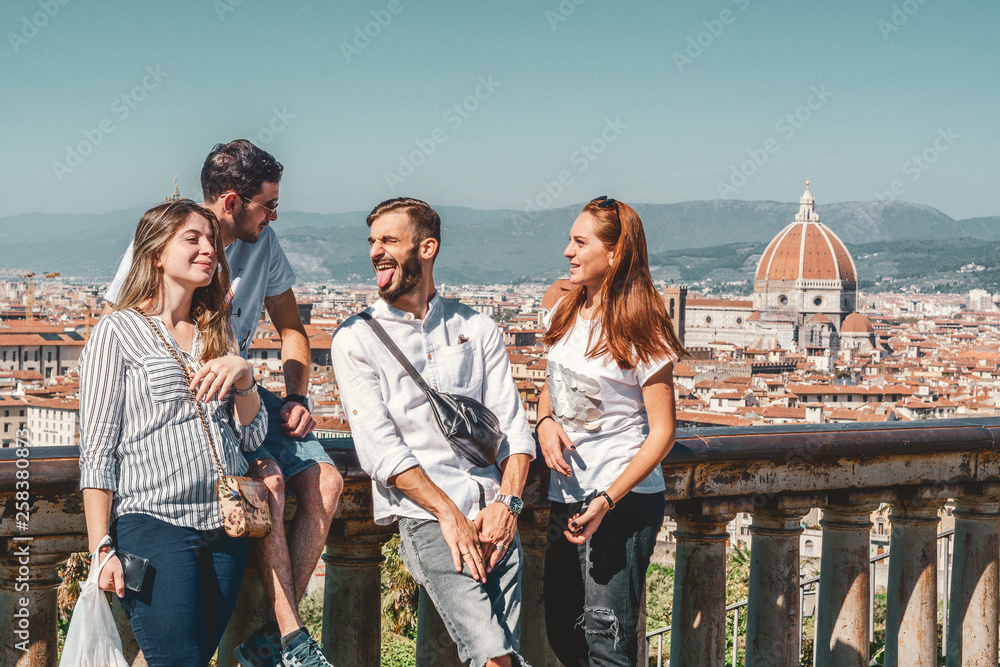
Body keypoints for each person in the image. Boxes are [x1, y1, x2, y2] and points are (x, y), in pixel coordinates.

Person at [104, 141, 342, 667]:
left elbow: (292, 329)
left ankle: (281, 633)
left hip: (245, 389)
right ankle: (290, 643)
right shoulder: (168, 241)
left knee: (327, 479)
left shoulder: (265, 244)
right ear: (232, 201)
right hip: (189, 420)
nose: (274, 216)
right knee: (270, 483)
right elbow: (127, 339)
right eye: (268, 205)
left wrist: (298, 394)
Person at [331, 198, 535, 667]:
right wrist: (447, 513)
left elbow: (513, 431)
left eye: (389, 240)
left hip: (495, 518)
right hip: (430, 520)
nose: (376, 252)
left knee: (505, 652)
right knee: (494, 657)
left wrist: (508, 505)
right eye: (372, 242)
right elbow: (380, 450)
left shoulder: (477, 327)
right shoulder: (355, 339)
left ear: (427, 248)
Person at [80, 199, 267, 666]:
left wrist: (243, 375)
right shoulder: (117, 333)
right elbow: (98, 449)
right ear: (157, 253)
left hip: (227, 527)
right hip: (154, 525)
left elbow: (250, 436)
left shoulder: (215, 331)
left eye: (211, 241)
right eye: (193, 239)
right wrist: (100, 546)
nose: (210, 249)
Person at [537, 196, 684, 667]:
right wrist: (543, 423)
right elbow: (551, 384)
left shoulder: (642, 326)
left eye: (580, 242)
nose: (567, 251)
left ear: (615, 253)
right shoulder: (561, 308)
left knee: (607, 641)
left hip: (622, 501)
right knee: (562, 629)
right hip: (567, 496)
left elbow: (662, 432)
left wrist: (608, 499)